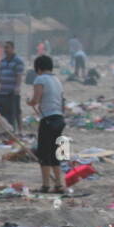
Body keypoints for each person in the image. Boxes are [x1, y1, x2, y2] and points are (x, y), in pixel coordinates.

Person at [29, 54, 67, 194]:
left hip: (48, 120)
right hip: (59, 119)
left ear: (38, 68)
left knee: (44, 153)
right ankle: (58, 184)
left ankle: (45, 185)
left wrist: (30, 102)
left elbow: (36, 99)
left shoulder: (40, 78)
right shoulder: (57, 80)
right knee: (55, 153)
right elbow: (62, 101)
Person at [0, 41, 24, 134]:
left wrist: (17, 87)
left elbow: (19, 76)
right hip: (3, 90)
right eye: (5, 48)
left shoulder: (18, 61)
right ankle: (6, 129)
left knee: (16, 112)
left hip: (12, 91)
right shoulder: (2, 61)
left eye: (8, 48)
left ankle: (20, 130)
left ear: (13, 48)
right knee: (4, 111)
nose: (6, 50)